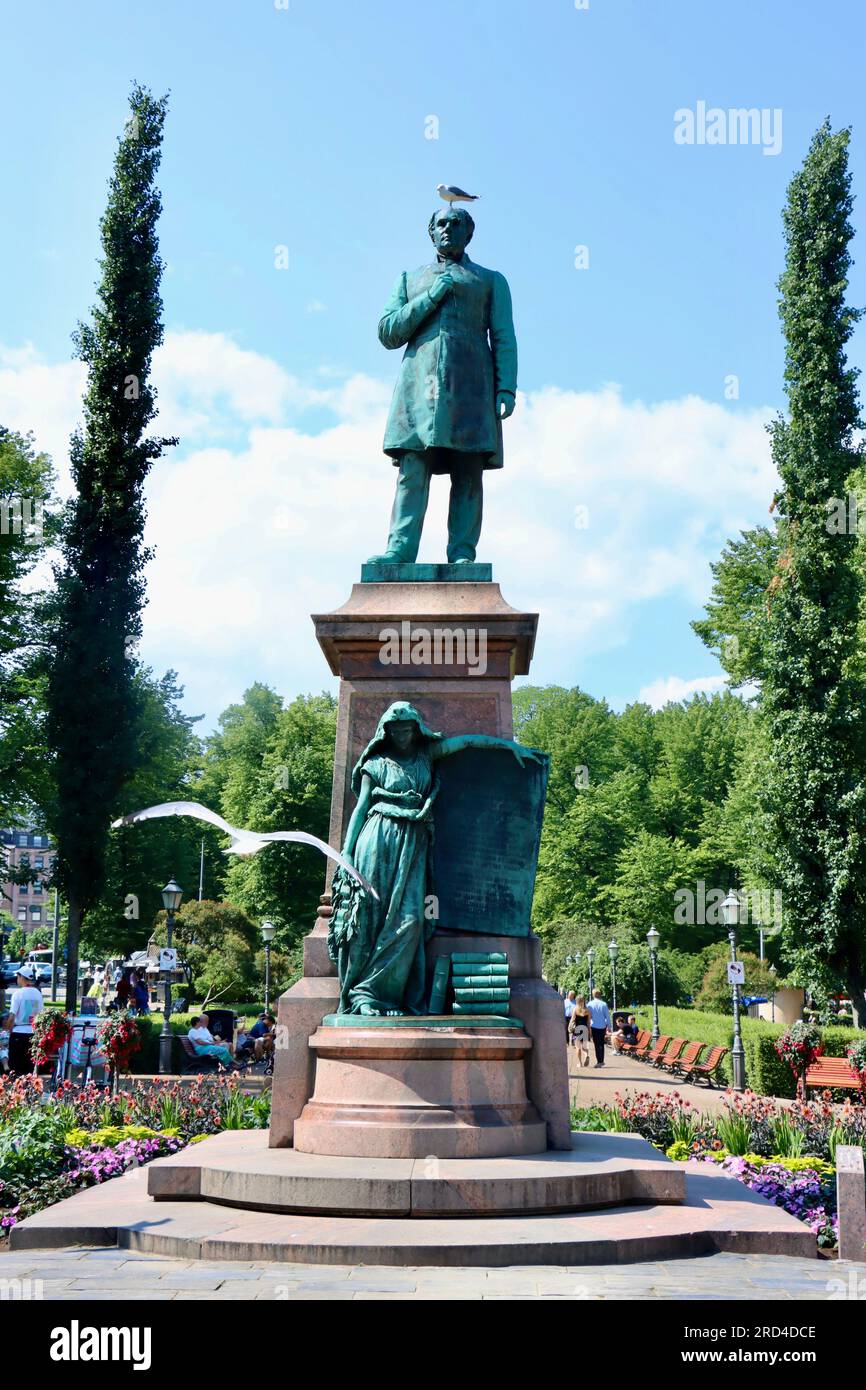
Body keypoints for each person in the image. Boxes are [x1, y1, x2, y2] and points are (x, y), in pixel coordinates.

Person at [329, 701, 544, 1016]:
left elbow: (467, 743)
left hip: (413, 843)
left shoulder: (426, 756)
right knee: (370, 919)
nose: (402, 734)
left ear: (417, 730)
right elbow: (360, 809)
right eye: (395, 729)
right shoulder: (374, 764)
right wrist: (346, 854)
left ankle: (387, 994)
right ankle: (365, 998)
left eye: (407, 729)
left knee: (410, 921)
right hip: (377, 840)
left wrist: (508, 748)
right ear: (385, 731)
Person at [8, 965, 43, 1075]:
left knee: (16, 1067)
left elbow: (12, 1016)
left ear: (22, 977)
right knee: (30, 1068)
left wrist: (7, 1031)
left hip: (18, 1033)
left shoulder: (17, 994)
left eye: (18, 976)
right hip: (33, 1033)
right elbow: (40, 1015)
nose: (17, 979)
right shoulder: (38, 993)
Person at [586, 988, 611, 1068]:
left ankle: (599, 1061)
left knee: (596, 1044)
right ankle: (601, 1060)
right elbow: (607, 1016)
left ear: (593, 995)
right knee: (601, 1044)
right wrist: (609, 1026)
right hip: (602, 1026)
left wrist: (588, 1026)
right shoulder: (604, 1004)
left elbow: (589, 1017)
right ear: (599, 994)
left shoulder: (589, 1004)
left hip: (594, 1026)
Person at [568, 994, 592, 1068]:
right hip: (584, 1029)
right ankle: (586, 1055)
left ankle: (579, 1063)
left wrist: (570, 1027)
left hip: (577, 1029)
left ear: (577, 1001)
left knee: (578, 1047)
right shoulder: (587, 1010)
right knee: (584, 1047)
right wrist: (589, 1031)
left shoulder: (575, 1009)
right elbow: (588, 1022)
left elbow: (572, 1020)